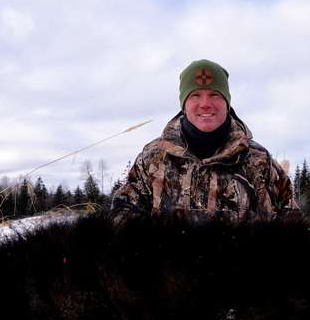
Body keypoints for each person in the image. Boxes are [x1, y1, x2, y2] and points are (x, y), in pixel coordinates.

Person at [110, 59, 299, 219]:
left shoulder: (260, 160)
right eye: (195, 95)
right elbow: (122, 215)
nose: (205, 104)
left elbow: (291, 223)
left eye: (215, 94)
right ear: (184, 104)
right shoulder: (152, 158)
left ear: (227, 102)